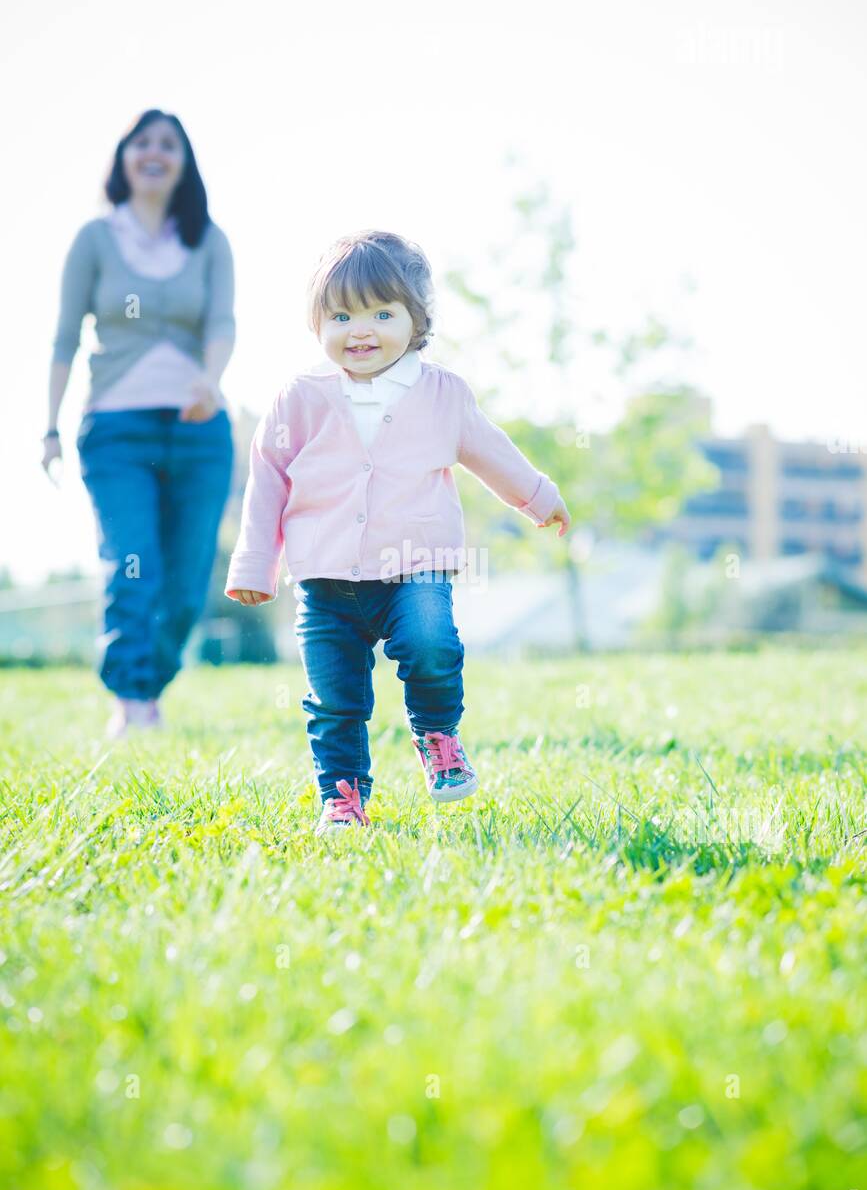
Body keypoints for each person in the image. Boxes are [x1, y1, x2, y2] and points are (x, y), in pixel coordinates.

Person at [225, 230, 571, 835]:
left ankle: (438, 735)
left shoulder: (443, 394)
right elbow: (267, 482)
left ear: (417, 321)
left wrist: (538, 497)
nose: (361, 329)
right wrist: (256, 565)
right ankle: (343, 797)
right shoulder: (298, 399)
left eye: (383, 313)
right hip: (326, 580)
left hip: (417, 565)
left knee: (431, 645)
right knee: (334, 699)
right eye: (342, 315)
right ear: (318, 326)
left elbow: (492, 453)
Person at [44, 109, 236, 739]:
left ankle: (149, 682)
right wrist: (48, 426)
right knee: (133, 562)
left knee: (184, 586)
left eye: (168, 144)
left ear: (184, 161)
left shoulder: (207, 240)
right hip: (117, 432)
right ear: (125, 156)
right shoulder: (95, 239)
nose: (155, 153)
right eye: (143, 142)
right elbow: (65, 338)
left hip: (198, 430)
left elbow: (221, 322)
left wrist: (211, 377)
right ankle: (131, 701)